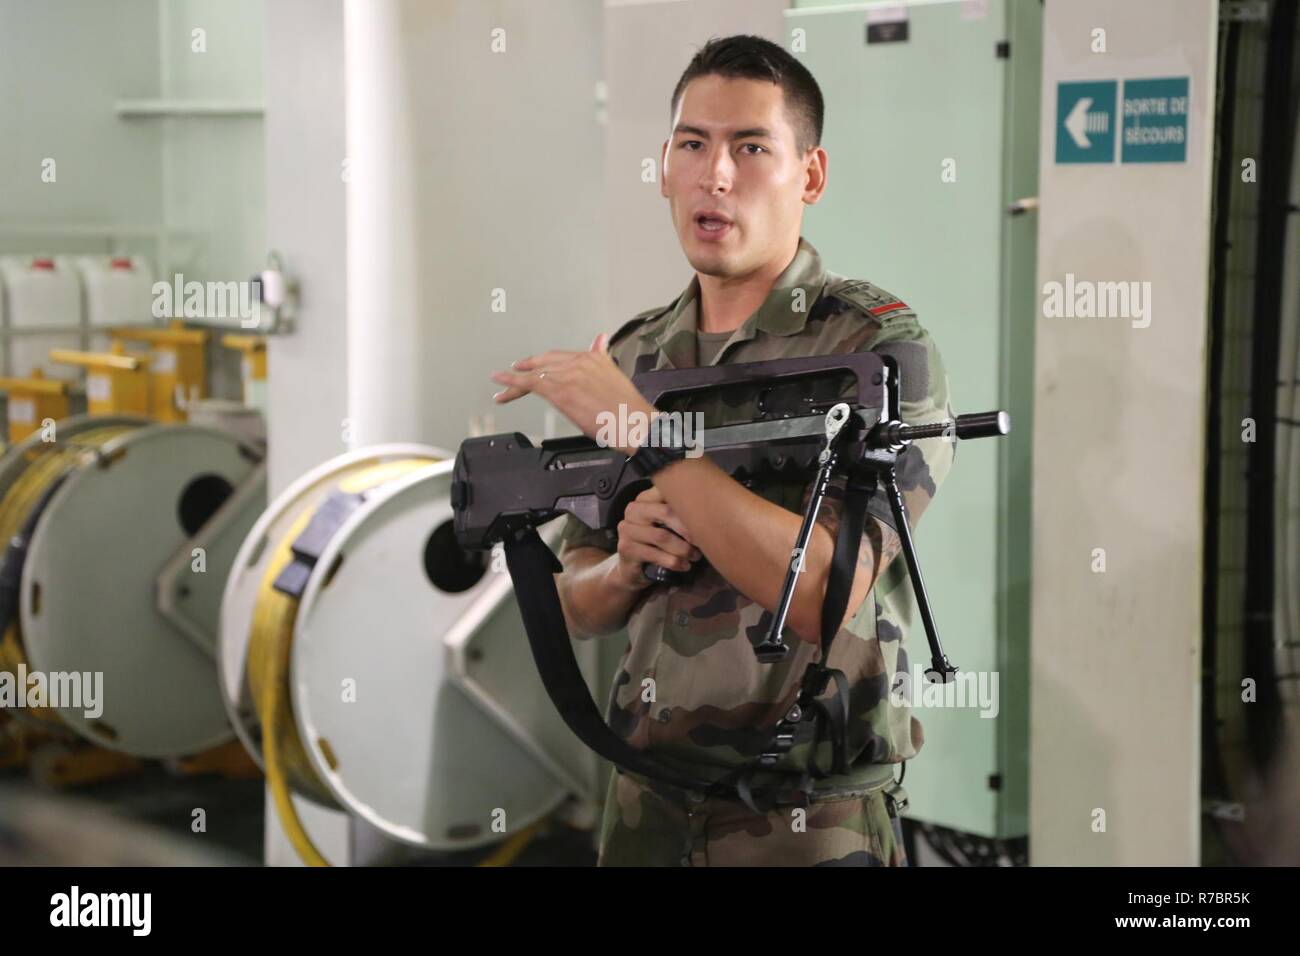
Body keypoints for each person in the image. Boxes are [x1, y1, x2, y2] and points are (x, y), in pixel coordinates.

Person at [490, 34, 954, 866]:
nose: (717, 176)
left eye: (751, 148)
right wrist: (627, 567)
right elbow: (577, 603)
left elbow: (821, 591)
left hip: (808, 819)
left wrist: (644, 436)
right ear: (664, 167)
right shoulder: (636, 356)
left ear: (809, 174)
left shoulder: (874, 351)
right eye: (693, 145)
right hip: (647, 802)